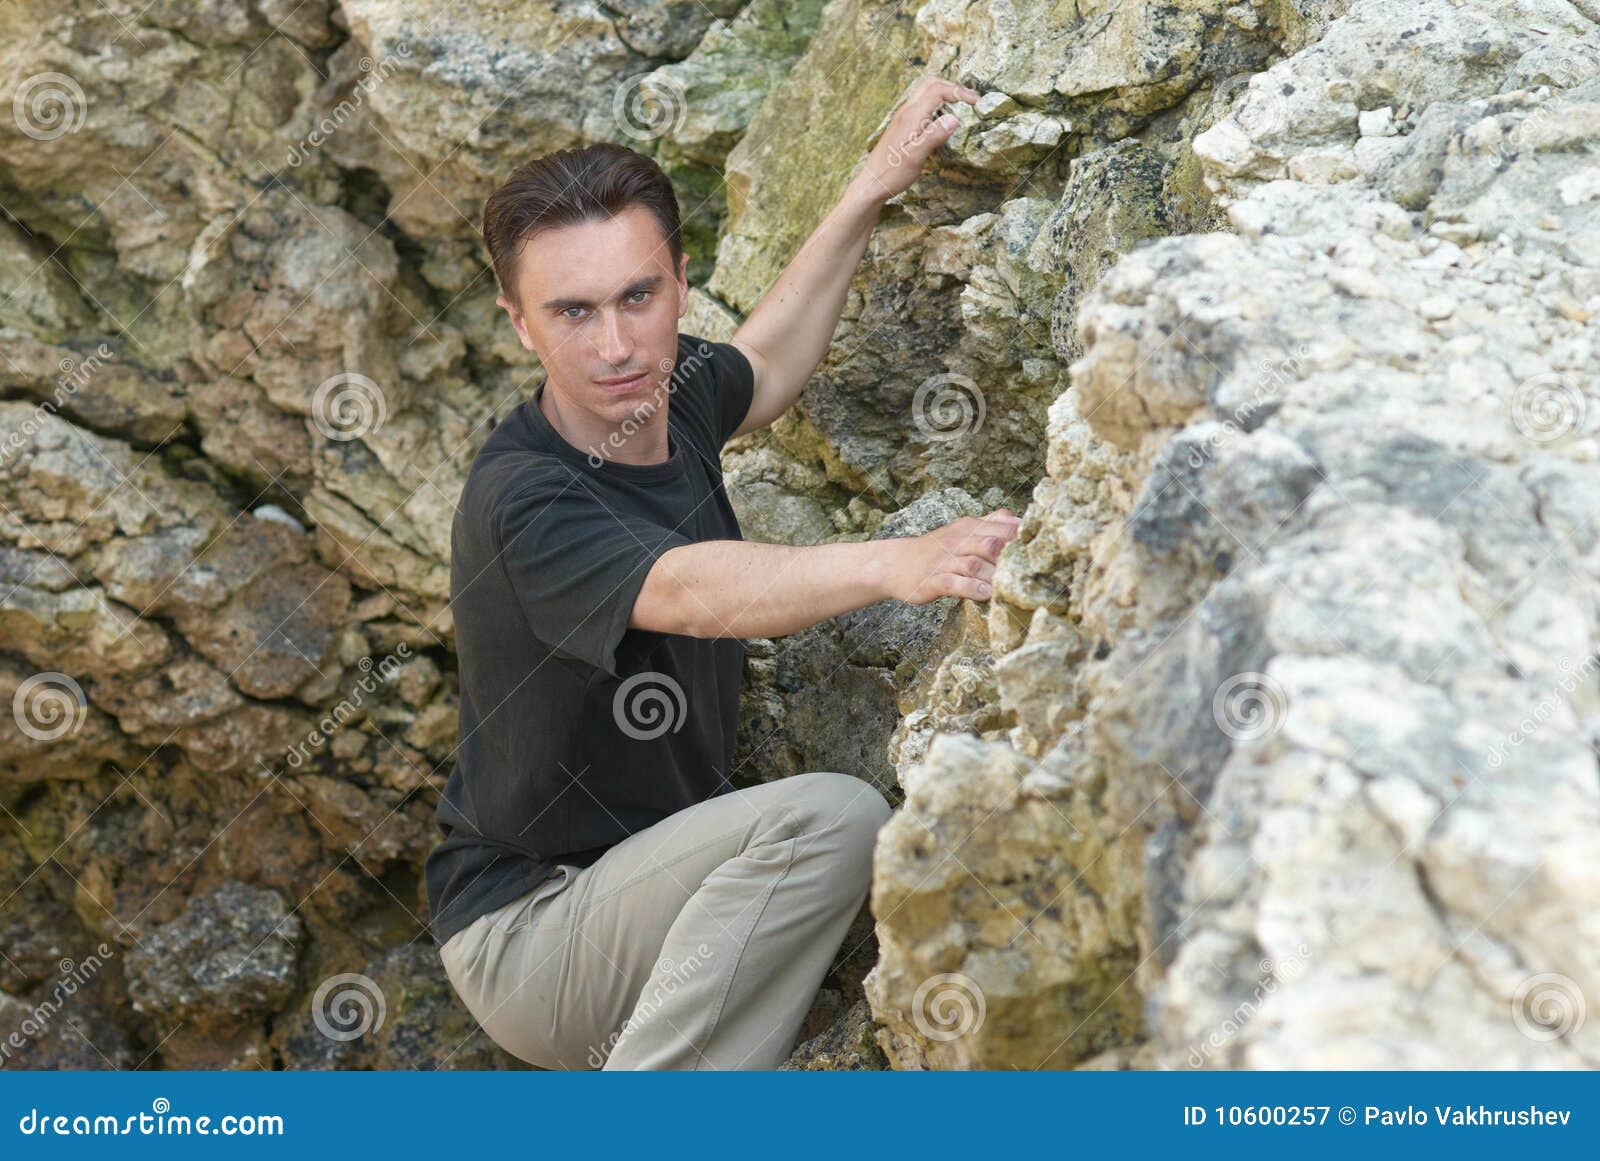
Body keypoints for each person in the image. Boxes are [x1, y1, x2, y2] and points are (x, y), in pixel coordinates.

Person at [427, 76, 1021, 1070]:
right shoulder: (523, 496)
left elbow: (767, 361)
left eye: (638, 296)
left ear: (679, 280)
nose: (616, 344)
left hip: (649, 882)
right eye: (571, 312)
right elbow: (690, 592)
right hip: (530, 928)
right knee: (830, 820)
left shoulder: (667, 392)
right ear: (518, 323)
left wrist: (868, 188)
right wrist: (897, 562)